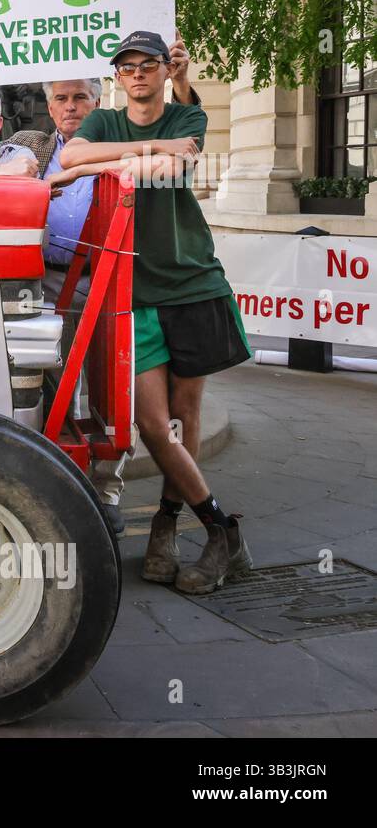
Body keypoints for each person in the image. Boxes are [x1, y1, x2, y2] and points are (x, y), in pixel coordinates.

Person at [60, 30, 252, 594]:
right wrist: (141, 154)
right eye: (128, 67)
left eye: (149, 64)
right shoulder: (106, 122)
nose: (138, 74)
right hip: (134, 293)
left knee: (184, 418)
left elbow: (180, 162)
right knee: (151, 423)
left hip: (192, 284)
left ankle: (166, 525)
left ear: (166, 72)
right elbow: (71, 153)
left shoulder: (185, 119)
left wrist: (119, 164)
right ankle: (222, 529)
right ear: (117, 77)